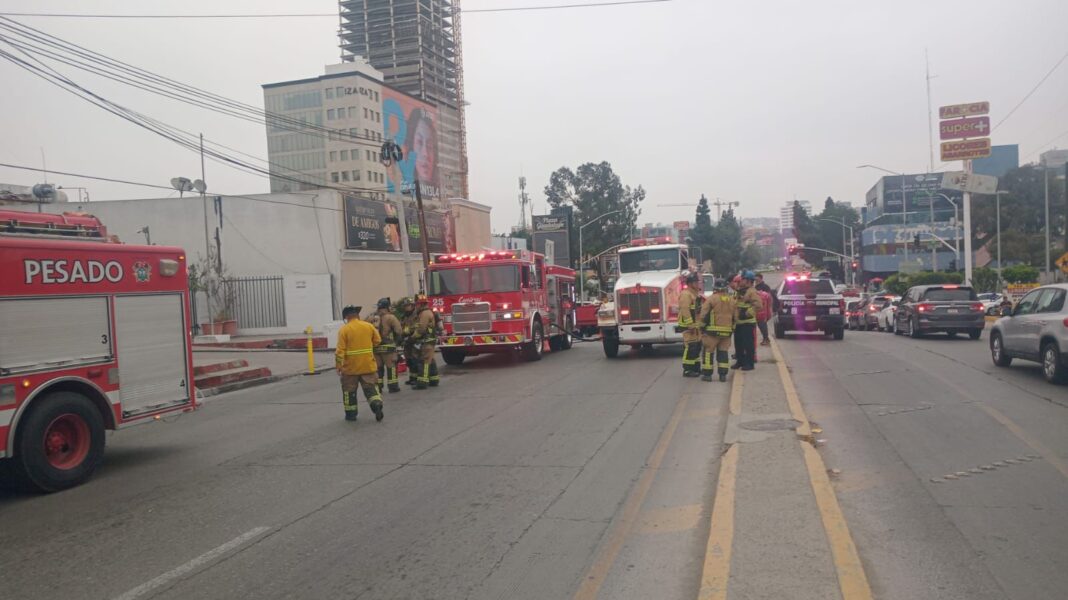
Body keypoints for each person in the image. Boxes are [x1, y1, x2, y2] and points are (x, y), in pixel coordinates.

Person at [335, 305, 384, 422]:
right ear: (357, 315)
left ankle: (351, 414)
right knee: (371, 389)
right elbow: (378, 341)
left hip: (350, 368)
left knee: (349, 391)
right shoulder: (368, 326)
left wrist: (338, 366)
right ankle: (376, 405)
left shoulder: (344, 330)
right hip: (368, 365)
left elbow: (339, 351)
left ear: (346, 317)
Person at [699, 278, 735, 382]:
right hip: (726, 332)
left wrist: (701, 327)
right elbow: (735, 316)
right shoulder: (731, 300)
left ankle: (707, 375)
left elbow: (703, 314)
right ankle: (723, 375)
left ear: (715, 287)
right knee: (723, 353)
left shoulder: (711, 299)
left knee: (708, 353)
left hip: (711, 332)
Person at [373, 297, 404, 393]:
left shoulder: (372, 318)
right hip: (388, 348)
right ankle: (393, 386)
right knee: (391, 367)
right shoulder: (391, 317)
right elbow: (399, 331)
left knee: (378, 369)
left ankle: (378, 387)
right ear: (387, 307)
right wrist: (398, 342)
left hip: (376, 348)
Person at [733, 271, 762, 371]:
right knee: (738, 343)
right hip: (739, 323)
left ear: (748, 281)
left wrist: (747, 313)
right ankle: (740, 361)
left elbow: (758, 305)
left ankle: (749, 364)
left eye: (743, 279)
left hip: (747, 323)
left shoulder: (751, 291)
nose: (741, 281)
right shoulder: (741, 290)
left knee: (748, 344)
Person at [677, 272, 703, 377]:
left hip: (696, 326)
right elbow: (685, 310)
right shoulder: (686, 294)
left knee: (697, 347)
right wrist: (690, 324)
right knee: (690, 347)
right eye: (696, 282)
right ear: (691, 283)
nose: (698, 284)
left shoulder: (694, 294)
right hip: (689, 326)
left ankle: (696, 368)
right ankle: (687, 370)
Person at [411, 294, 440, 389]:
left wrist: (413, 337)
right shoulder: (427, 312)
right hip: (429, 340)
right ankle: (434, 379)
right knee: (430, 359)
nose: (416, 306)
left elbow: (421, 329)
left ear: (421, 304)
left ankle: (422, 382)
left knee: (424, 360)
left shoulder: (424, 314)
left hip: (426, 341)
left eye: (417, 304)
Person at [398, 297, 420, 386]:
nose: (406, 308)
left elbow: (417, 326)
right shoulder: (404, 316)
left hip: (414, 339)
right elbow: (401, 326)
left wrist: (407, 332)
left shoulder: (416, 315)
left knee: (415, 359)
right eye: (405, 306)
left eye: (408, 306)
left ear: (412, 306)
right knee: (409, 360)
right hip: (406, 341)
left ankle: (417, 378)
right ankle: (412, 378)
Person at [754, 273, 775, 346]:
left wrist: (770, 308)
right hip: (758, 309)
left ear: (761, 278)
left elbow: (769, 298)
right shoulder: (756, 286)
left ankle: (766, 339)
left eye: (757, 279)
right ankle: (765, 339)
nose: (756, 280)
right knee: (761, 325)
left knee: (762, 325)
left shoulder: (765, 287)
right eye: (755, 279)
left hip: (763, 309)